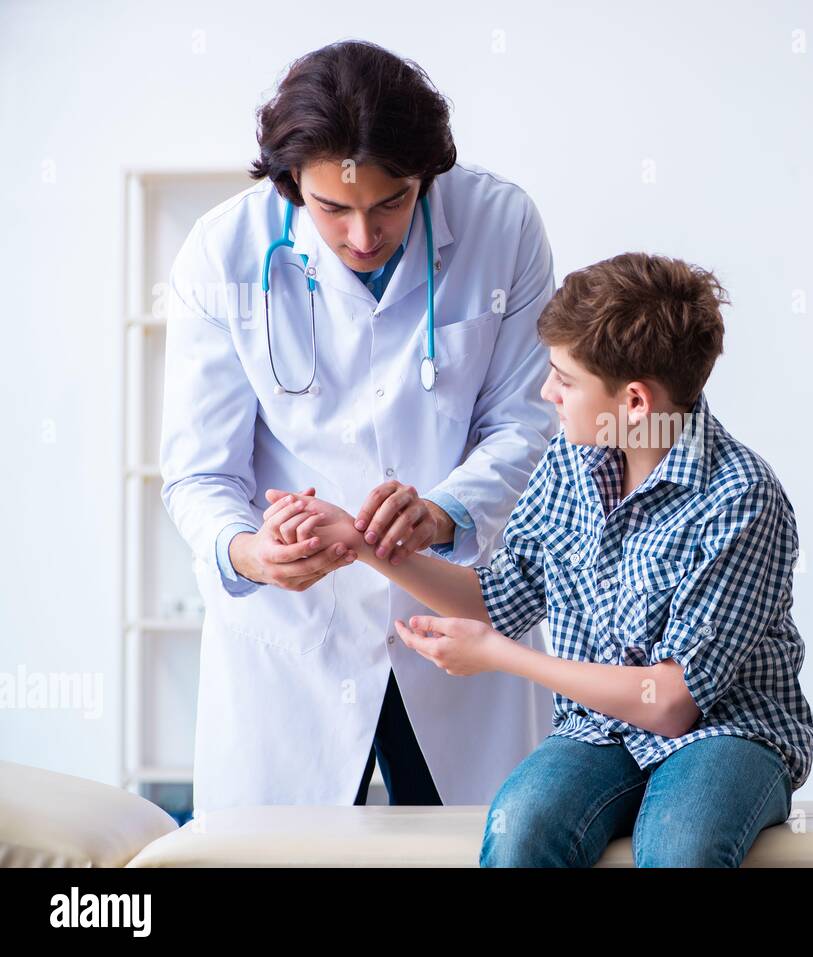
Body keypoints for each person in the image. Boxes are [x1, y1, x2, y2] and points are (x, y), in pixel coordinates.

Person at [265, 253, 813, 866]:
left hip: (723, 732)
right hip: (599, 731)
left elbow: (669, 702)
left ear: (633, 402)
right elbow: (501, 598)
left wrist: (499, 657)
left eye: (565, 379)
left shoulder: (740, 497)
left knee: (680, 845)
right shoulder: (571, 460)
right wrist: (364, 543)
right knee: (518, 829)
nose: (546, 392)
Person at [159, 40, 556, 813]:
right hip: (295, 632)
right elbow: (200, 473)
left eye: (392, 203)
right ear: (288, 185)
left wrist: (443, 510)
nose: (364, 237)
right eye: (333, 209)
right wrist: (251, 553)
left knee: (485, 842)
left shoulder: (501, 225)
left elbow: (530, 423)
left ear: (428, 177)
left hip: (450, 619)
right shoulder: (222, 252)